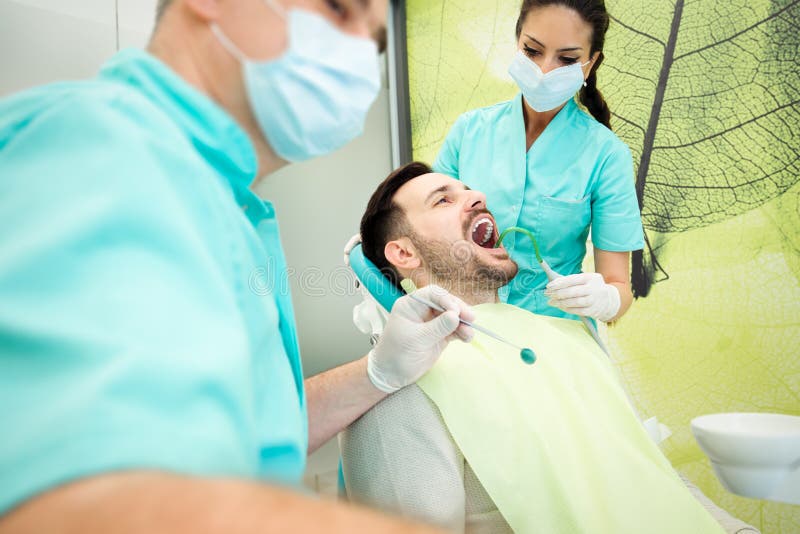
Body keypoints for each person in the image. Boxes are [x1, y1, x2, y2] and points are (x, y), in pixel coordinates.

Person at [0, 1, 475, 532]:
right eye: (341, 9)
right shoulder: (97, 150)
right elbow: (80, 508)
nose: (361, 55)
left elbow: (246, 442)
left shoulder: (227, 209)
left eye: (377, 45)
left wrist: (377, 374)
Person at [342, 162, 759, 534]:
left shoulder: (569, 339)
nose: (477, 197)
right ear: (403, 252)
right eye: (442, 200)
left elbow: (653, 476)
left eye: (468, 189)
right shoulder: (398, 382)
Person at [433, 0, 645, 324]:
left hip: (554, 340)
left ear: (589, 64)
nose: (545, 70)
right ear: (518, 41)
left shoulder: (606, 155)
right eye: (532, 51)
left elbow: (619, 287)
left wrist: (605, 299)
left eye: (567, 59)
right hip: (467, 327)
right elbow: (428, 228)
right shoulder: (469, 132)